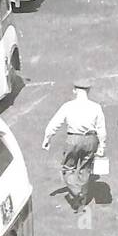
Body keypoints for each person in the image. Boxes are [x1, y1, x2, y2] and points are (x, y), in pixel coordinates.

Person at [43, 80, 107, 212]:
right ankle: (82, 201)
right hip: (91, 139)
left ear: (74, 90)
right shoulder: (96, 107)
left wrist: (47, 138)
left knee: (68, 167)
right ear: (88, 91)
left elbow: (54, 123)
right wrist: (102, 146)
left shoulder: (68, 106)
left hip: (73, 139)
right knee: (85, 169)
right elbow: (101, 129)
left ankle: (76, 192)